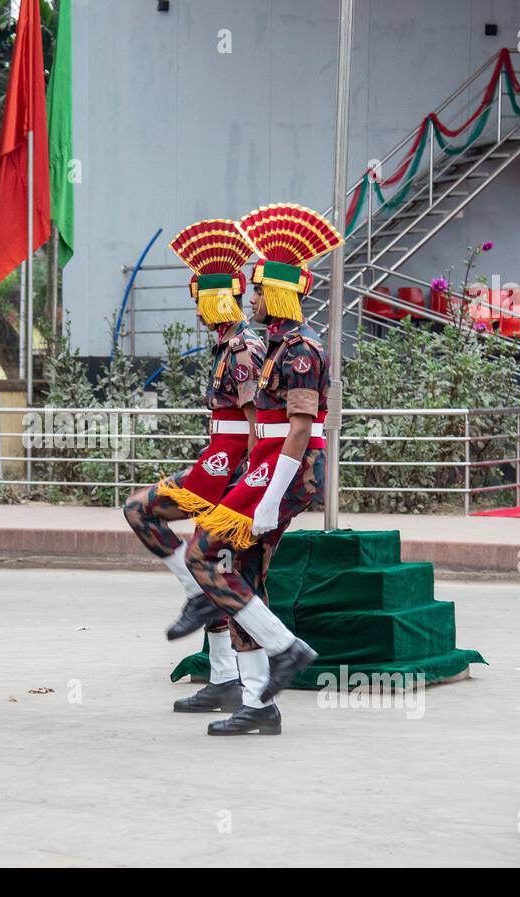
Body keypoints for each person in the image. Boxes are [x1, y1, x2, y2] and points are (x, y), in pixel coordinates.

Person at [186, 203, 341, 737]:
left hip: (290, 471)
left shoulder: (300, 350)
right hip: (270, 467)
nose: (246, 298)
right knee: (238, 573)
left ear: (274, 292)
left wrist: (271, 498)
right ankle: (259, 701)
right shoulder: (277, 345)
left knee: (207, 550)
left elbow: (298, 429)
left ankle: (284, 650)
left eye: (255, 290)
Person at [122, 218, 264, 715]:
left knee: (140, 509)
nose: (197, 311)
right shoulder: (228, 343)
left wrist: (243, 488)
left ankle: (194, 591)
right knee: (215, 564)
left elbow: (257, 425)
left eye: (200, 300)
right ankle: (225, 677)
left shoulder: (243, 348)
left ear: (217, 299)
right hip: (219, 463)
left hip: (227, 468)